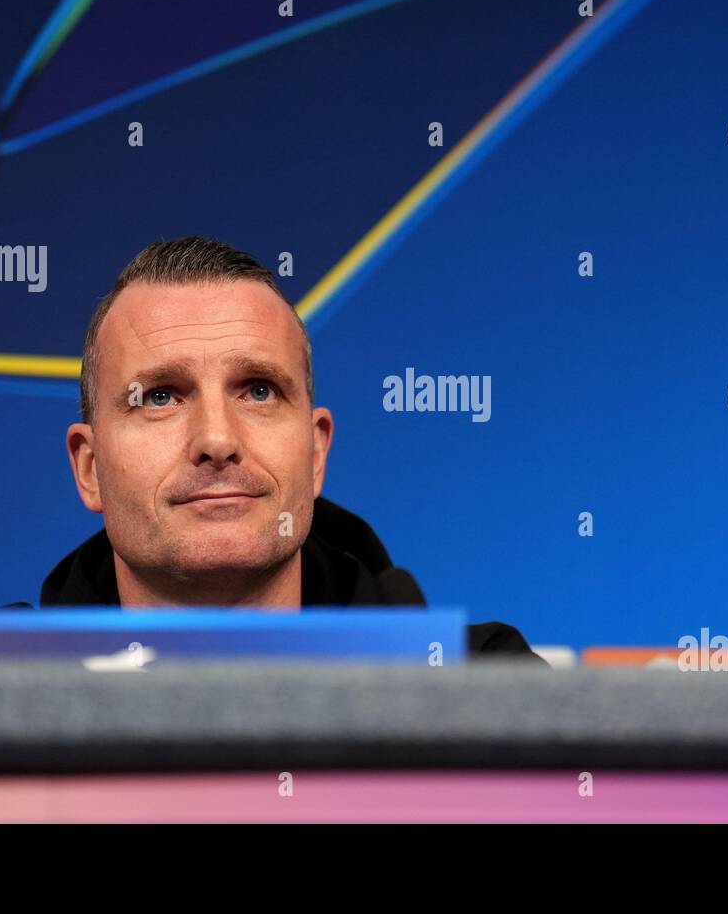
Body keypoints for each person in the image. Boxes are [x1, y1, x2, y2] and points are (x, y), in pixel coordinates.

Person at [41, 237, 544, 663]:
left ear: (316, 451)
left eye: (259, 390)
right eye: (159, 397)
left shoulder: (481, 693)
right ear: (89, 469)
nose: (217, 441)